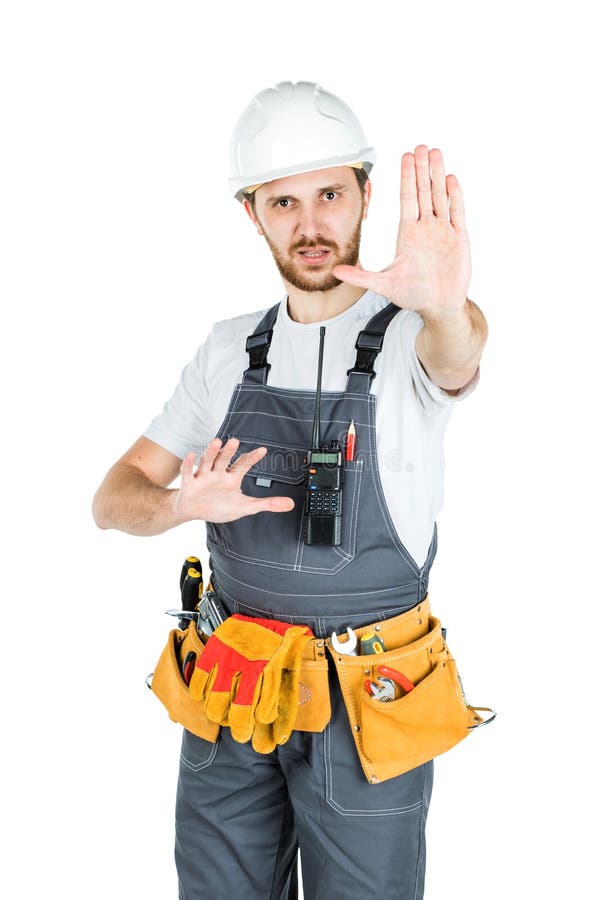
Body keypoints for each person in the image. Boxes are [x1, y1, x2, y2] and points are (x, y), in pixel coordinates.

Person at [93, 80, 488, 900]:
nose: (310, 225)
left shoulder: (417, 333)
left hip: (367, 702)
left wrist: (448, 308)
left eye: (330, 194)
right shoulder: (228, 348)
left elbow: (460, 354)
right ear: (254, 213)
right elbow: (113, 498)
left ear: (366, 195)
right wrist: (175, 508)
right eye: (283, 202)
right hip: (232, 685)